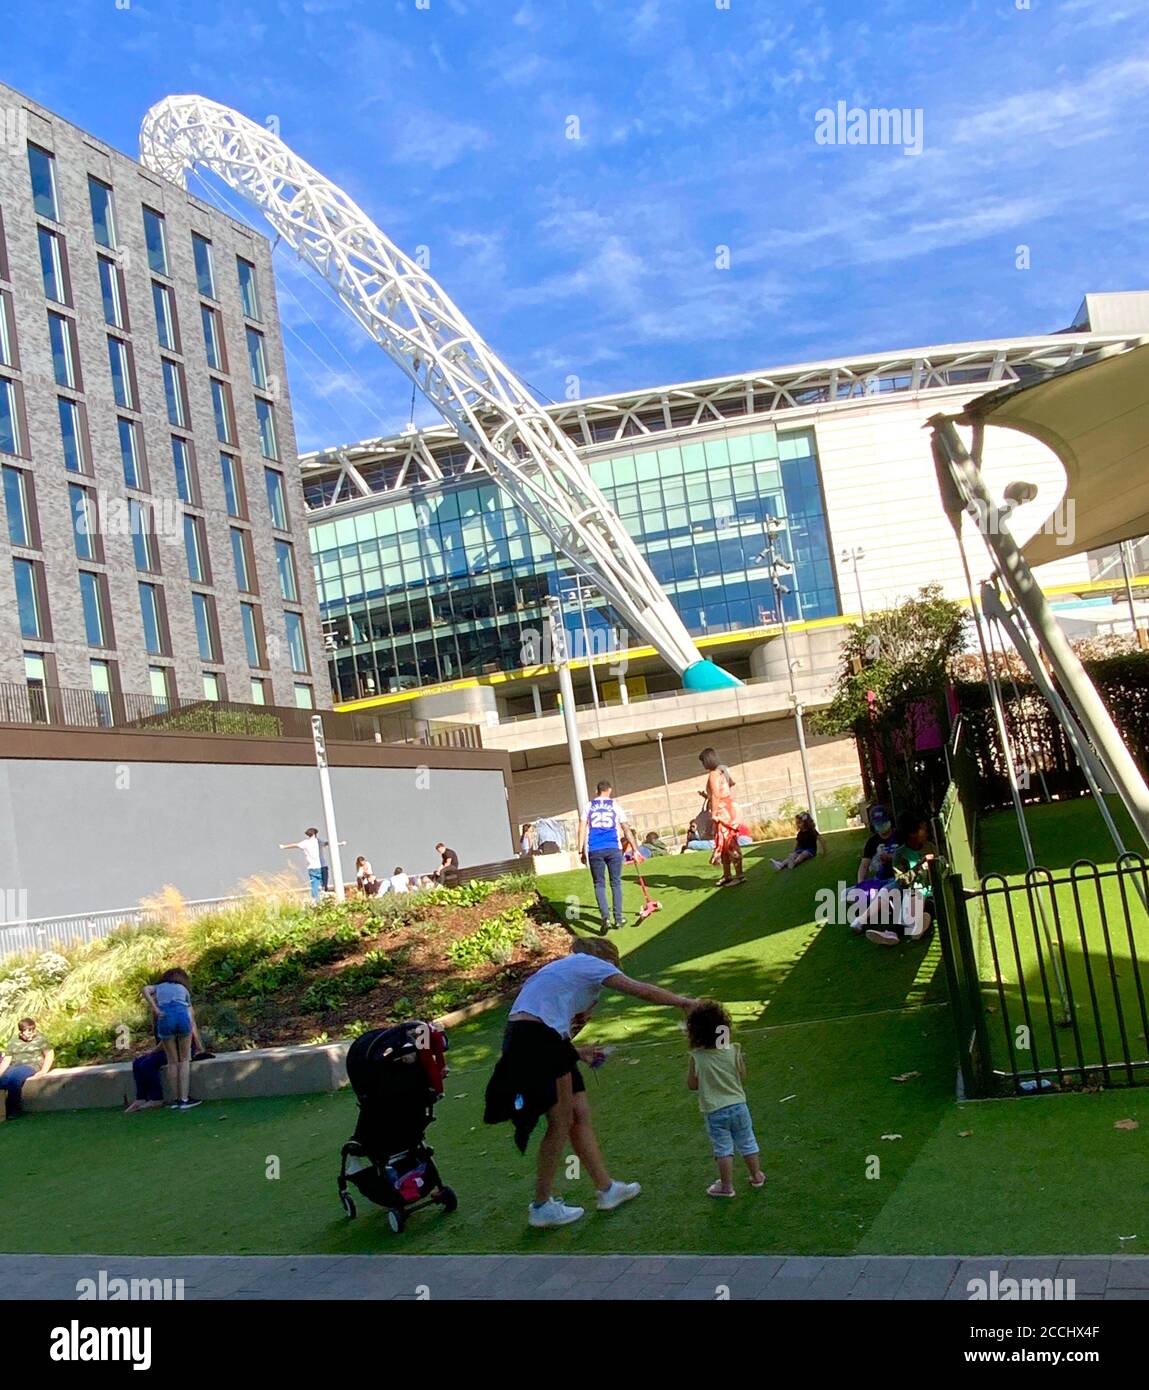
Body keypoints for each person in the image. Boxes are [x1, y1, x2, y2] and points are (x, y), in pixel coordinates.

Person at [483, 936, 698, 1228]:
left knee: (579, 1113)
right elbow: (640, 991)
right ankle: (541, 1206)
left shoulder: (564, 973)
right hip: (536, 1038)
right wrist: (684, 1003)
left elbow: (555, 1024)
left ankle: (607, 1190)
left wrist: (579, 1053)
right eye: (615, 964)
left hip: (536, 1038)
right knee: (560, 1120)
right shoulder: (590, 964)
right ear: (606, 959)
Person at [686, 1000, 765, 1198]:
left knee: (723, 1149)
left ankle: (726, 1186)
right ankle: (756, 1176)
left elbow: (692, 1085)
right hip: (739, 1106)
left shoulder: (697, 1057)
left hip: (715, 1110)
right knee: (747, 1141)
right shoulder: (733, 1050)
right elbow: (742, 1074)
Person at [865, 810, 936, 947]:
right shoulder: (900, 854)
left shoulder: (930, 847)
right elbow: (902, 880)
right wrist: (920, 865)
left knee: (929, 904)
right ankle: (893, 933)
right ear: (912, 833)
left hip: (930, 893)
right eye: (923, 829)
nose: (926, 832)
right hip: (912, 894)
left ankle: (917, 927)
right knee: (906, 904)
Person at [577, 779, 639, 930]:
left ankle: (605, 917)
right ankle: (618, 918)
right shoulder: (615, 806)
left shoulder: (589, 806)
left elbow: (582, 828)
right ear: (609, 790)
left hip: (595, 848)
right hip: (613, 847)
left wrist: (580, 850)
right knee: (615, 883)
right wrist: (635, 849)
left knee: (599, 884)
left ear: (596, 791)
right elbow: (626, 828)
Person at [141, 969, 202, 1110]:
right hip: (181, 1018)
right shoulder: (183, 989)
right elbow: (190, 1017)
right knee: (184, 1060)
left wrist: (154, 1007)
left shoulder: (159, 988)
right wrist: (198, 1045)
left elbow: (145, 989)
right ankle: (184, 1099)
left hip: (165, 1018)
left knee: (172, 1061)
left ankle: (175, 1099)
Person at [126, 1026, 213, 1113]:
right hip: (168, 1047)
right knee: (137, 1062)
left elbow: (168, 1039)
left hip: (179, 1049)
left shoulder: (170, 1015)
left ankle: (156, 1098)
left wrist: (153, 1051)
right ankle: (141, 1097)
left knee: (147, 1063)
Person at [698, 747, 744, 886]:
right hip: (728, 808)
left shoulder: (713, 774)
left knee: (729, 842)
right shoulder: (722, 772)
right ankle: (727, 874)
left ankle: (739, 875)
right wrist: (707, 797)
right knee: (723, 843)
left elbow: (717, 795)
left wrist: (713, 814)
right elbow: (722, 792)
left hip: (723, 812)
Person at [0, 1017, 54, 1118]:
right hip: (15, 1066)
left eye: (30, 1032)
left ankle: (13, 1110)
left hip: (31, 1065)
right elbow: (7, 1059)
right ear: (21, 1032)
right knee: (3, 1080)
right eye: (25, 1032)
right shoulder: (13, 1041)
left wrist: (44, 1070)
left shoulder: (40, 1039)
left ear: (34, 1030)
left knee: (15, 1080)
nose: (28, 1035)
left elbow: (49, 1054)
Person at [279, 827, 332, 902]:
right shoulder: (319, 841)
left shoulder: (305, 843)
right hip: (321, 866)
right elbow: (328, 843)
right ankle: (324, 894)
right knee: (324, 882)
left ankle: (315, 900)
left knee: (314, 884)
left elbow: (295, 845)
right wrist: (340, 844)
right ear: (315, 834)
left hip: (312, 867)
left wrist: (284, 847)